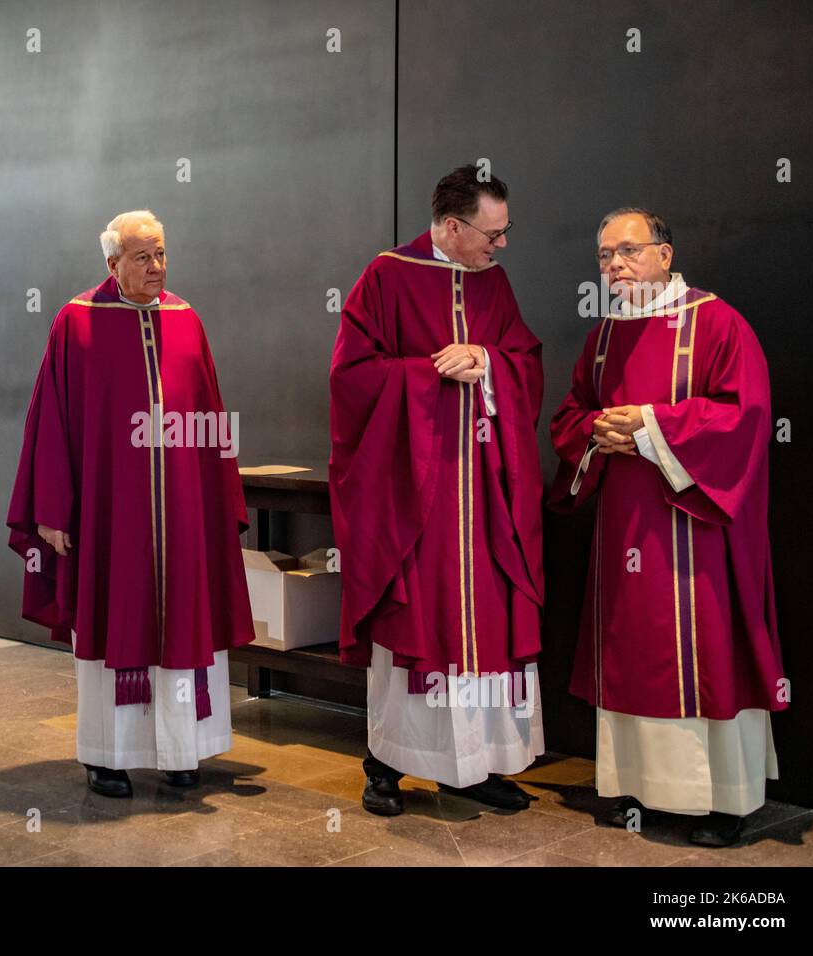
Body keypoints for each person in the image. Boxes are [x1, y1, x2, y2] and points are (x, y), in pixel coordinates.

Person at [548, 207, 786, 847]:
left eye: (628, 251)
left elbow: (745, 419)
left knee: (701, 649)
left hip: (694, 529)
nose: (615, 267)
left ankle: (721, 802)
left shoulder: (716, 323)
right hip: (625, 527)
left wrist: (651, 427)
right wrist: (596, 433)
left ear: (665, 254)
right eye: (604, 256)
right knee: (634, 650)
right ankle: (644, 789)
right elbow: (573, 413)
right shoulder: (603, 336)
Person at [7, 210, 255, 797]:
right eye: (142, 256)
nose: (156, 267)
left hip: (184, 515)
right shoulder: (77, 322)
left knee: (184, 623)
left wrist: (218, 499)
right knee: (112, 615)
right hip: (108, 516)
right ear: (111, 263)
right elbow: (51, 422)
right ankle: (109, 755)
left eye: (162, 253)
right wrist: (51, 510)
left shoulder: (187, 320)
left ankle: (181, 750)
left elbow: (211, 413)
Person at [329, 166, 546, 816]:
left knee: (486, 628)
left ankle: (474, 765)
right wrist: (427, 376)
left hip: (485, 499)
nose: (501, 245)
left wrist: (489, 364)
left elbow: (525, 364)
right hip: (414, 499)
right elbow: (351, 378)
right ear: (452, 226)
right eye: (492, 232)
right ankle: (387, 765)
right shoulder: (387, 276)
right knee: (416, 620)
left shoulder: (495, 284)